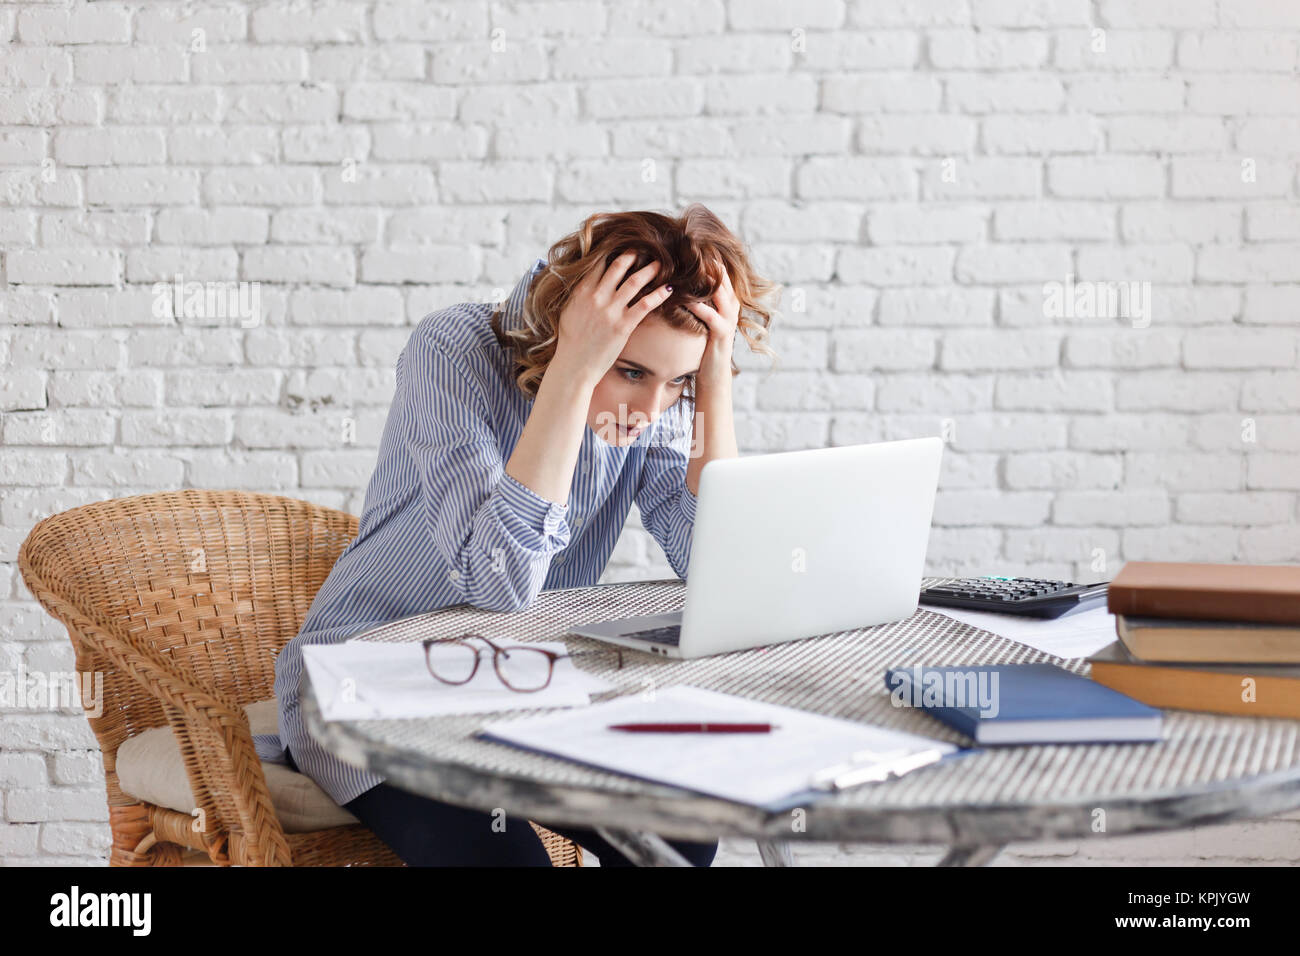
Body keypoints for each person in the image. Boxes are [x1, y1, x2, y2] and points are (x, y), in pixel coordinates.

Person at [258, 204, 779, 865]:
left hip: (528, 685)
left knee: (682, 828)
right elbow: (496, 580)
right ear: (577, 331)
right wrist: (575, 370)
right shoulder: (452, 350)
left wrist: (711, 384)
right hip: (366, 688)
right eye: (631, 371)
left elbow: (716, 569)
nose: (649, 411)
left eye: (673, 382)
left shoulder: (656, 405)